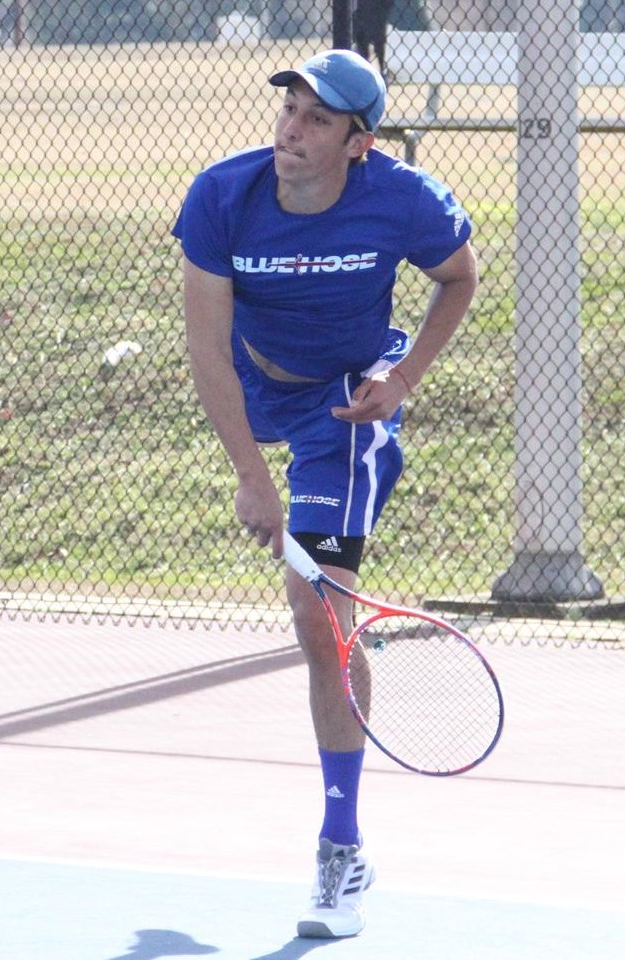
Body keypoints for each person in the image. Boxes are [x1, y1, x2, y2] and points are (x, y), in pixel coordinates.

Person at [171, 49, 477, 939]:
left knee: (317, 616)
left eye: (316, 120)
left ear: (359, 143)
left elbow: (459, 277)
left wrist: (406, 377)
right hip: (252, 380)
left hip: (342, 407)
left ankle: (340, 850)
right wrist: (249, 478)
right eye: (289, 111)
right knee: (315, 611)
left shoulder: (405, 199)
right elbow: (203, 348)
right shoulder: (221, 198)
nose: (292, 131)